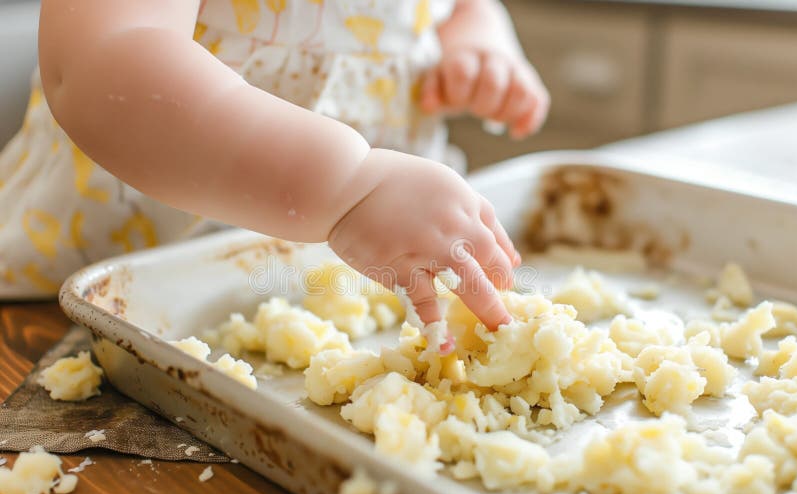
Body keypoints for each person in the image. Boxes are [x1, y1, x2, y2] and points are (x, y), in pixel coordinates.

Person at [0, 0, 549, 330]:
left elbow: (459, 8)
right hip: (92, 301)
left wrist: (478, 41)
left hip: (334, 297)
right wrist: (349, 187)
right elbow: (99, 70)